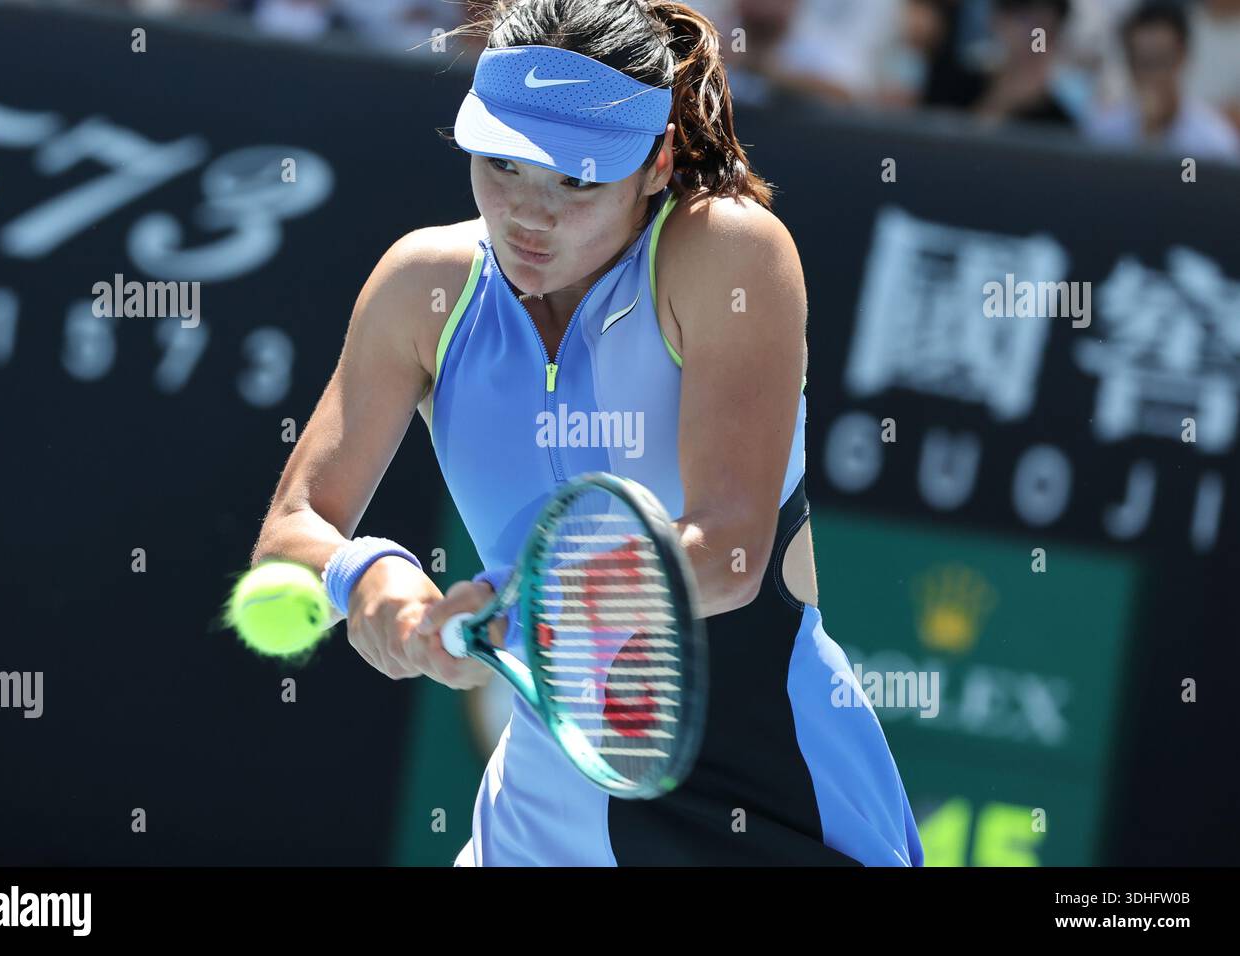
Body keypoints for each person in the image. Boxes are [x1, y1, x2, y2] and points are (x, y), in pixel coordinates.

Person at [250, 0, 924, 867]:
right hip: (541, 818)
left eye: (576, 179)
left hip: (779, 793)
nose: (531, 213)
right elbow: (292, 532)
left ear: (657, 163)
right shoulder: (423, 284)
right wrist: (366, 578)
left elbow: (727, 556)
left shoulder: (728, 252)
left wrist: (518, 606)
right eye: (503, 164)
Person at [1083, 1, 1240, 162]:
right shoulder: (1103, 134)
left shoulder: (1214, 143)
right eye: (1144, 63)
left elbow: (1192, 181)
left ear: (1182, 57)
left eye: (1162, 61)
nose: (1153, 76)